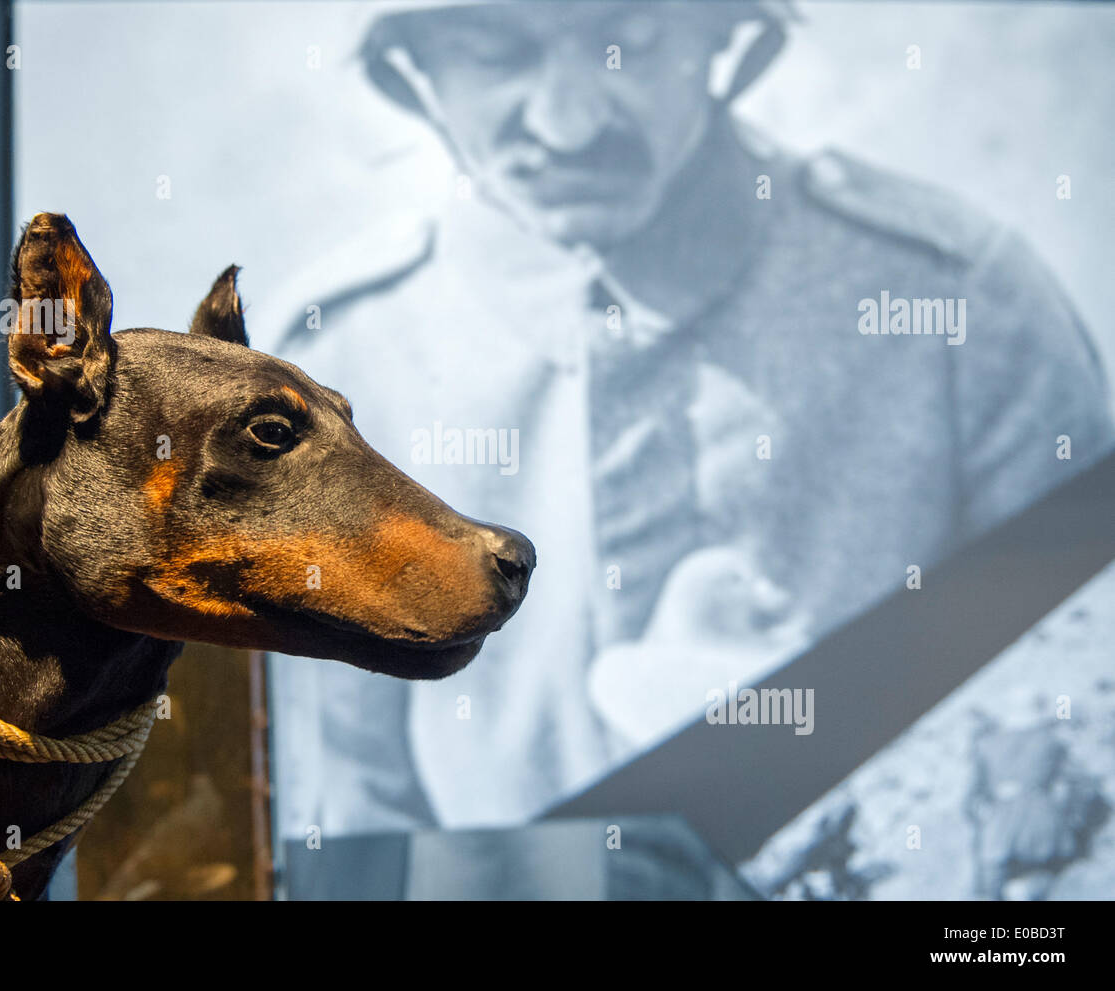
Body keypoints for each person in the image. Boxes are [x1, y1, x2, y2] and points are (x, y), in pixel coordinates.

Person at [254, 0, 1114, 857]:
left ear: (724, 33)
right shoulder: (335, 358)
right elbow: (349, 810)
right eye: (493, 52)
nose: (569, 122)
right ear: (414, 70)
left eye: (629, 40)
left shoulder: (959, 297)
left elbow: (1073, 722)